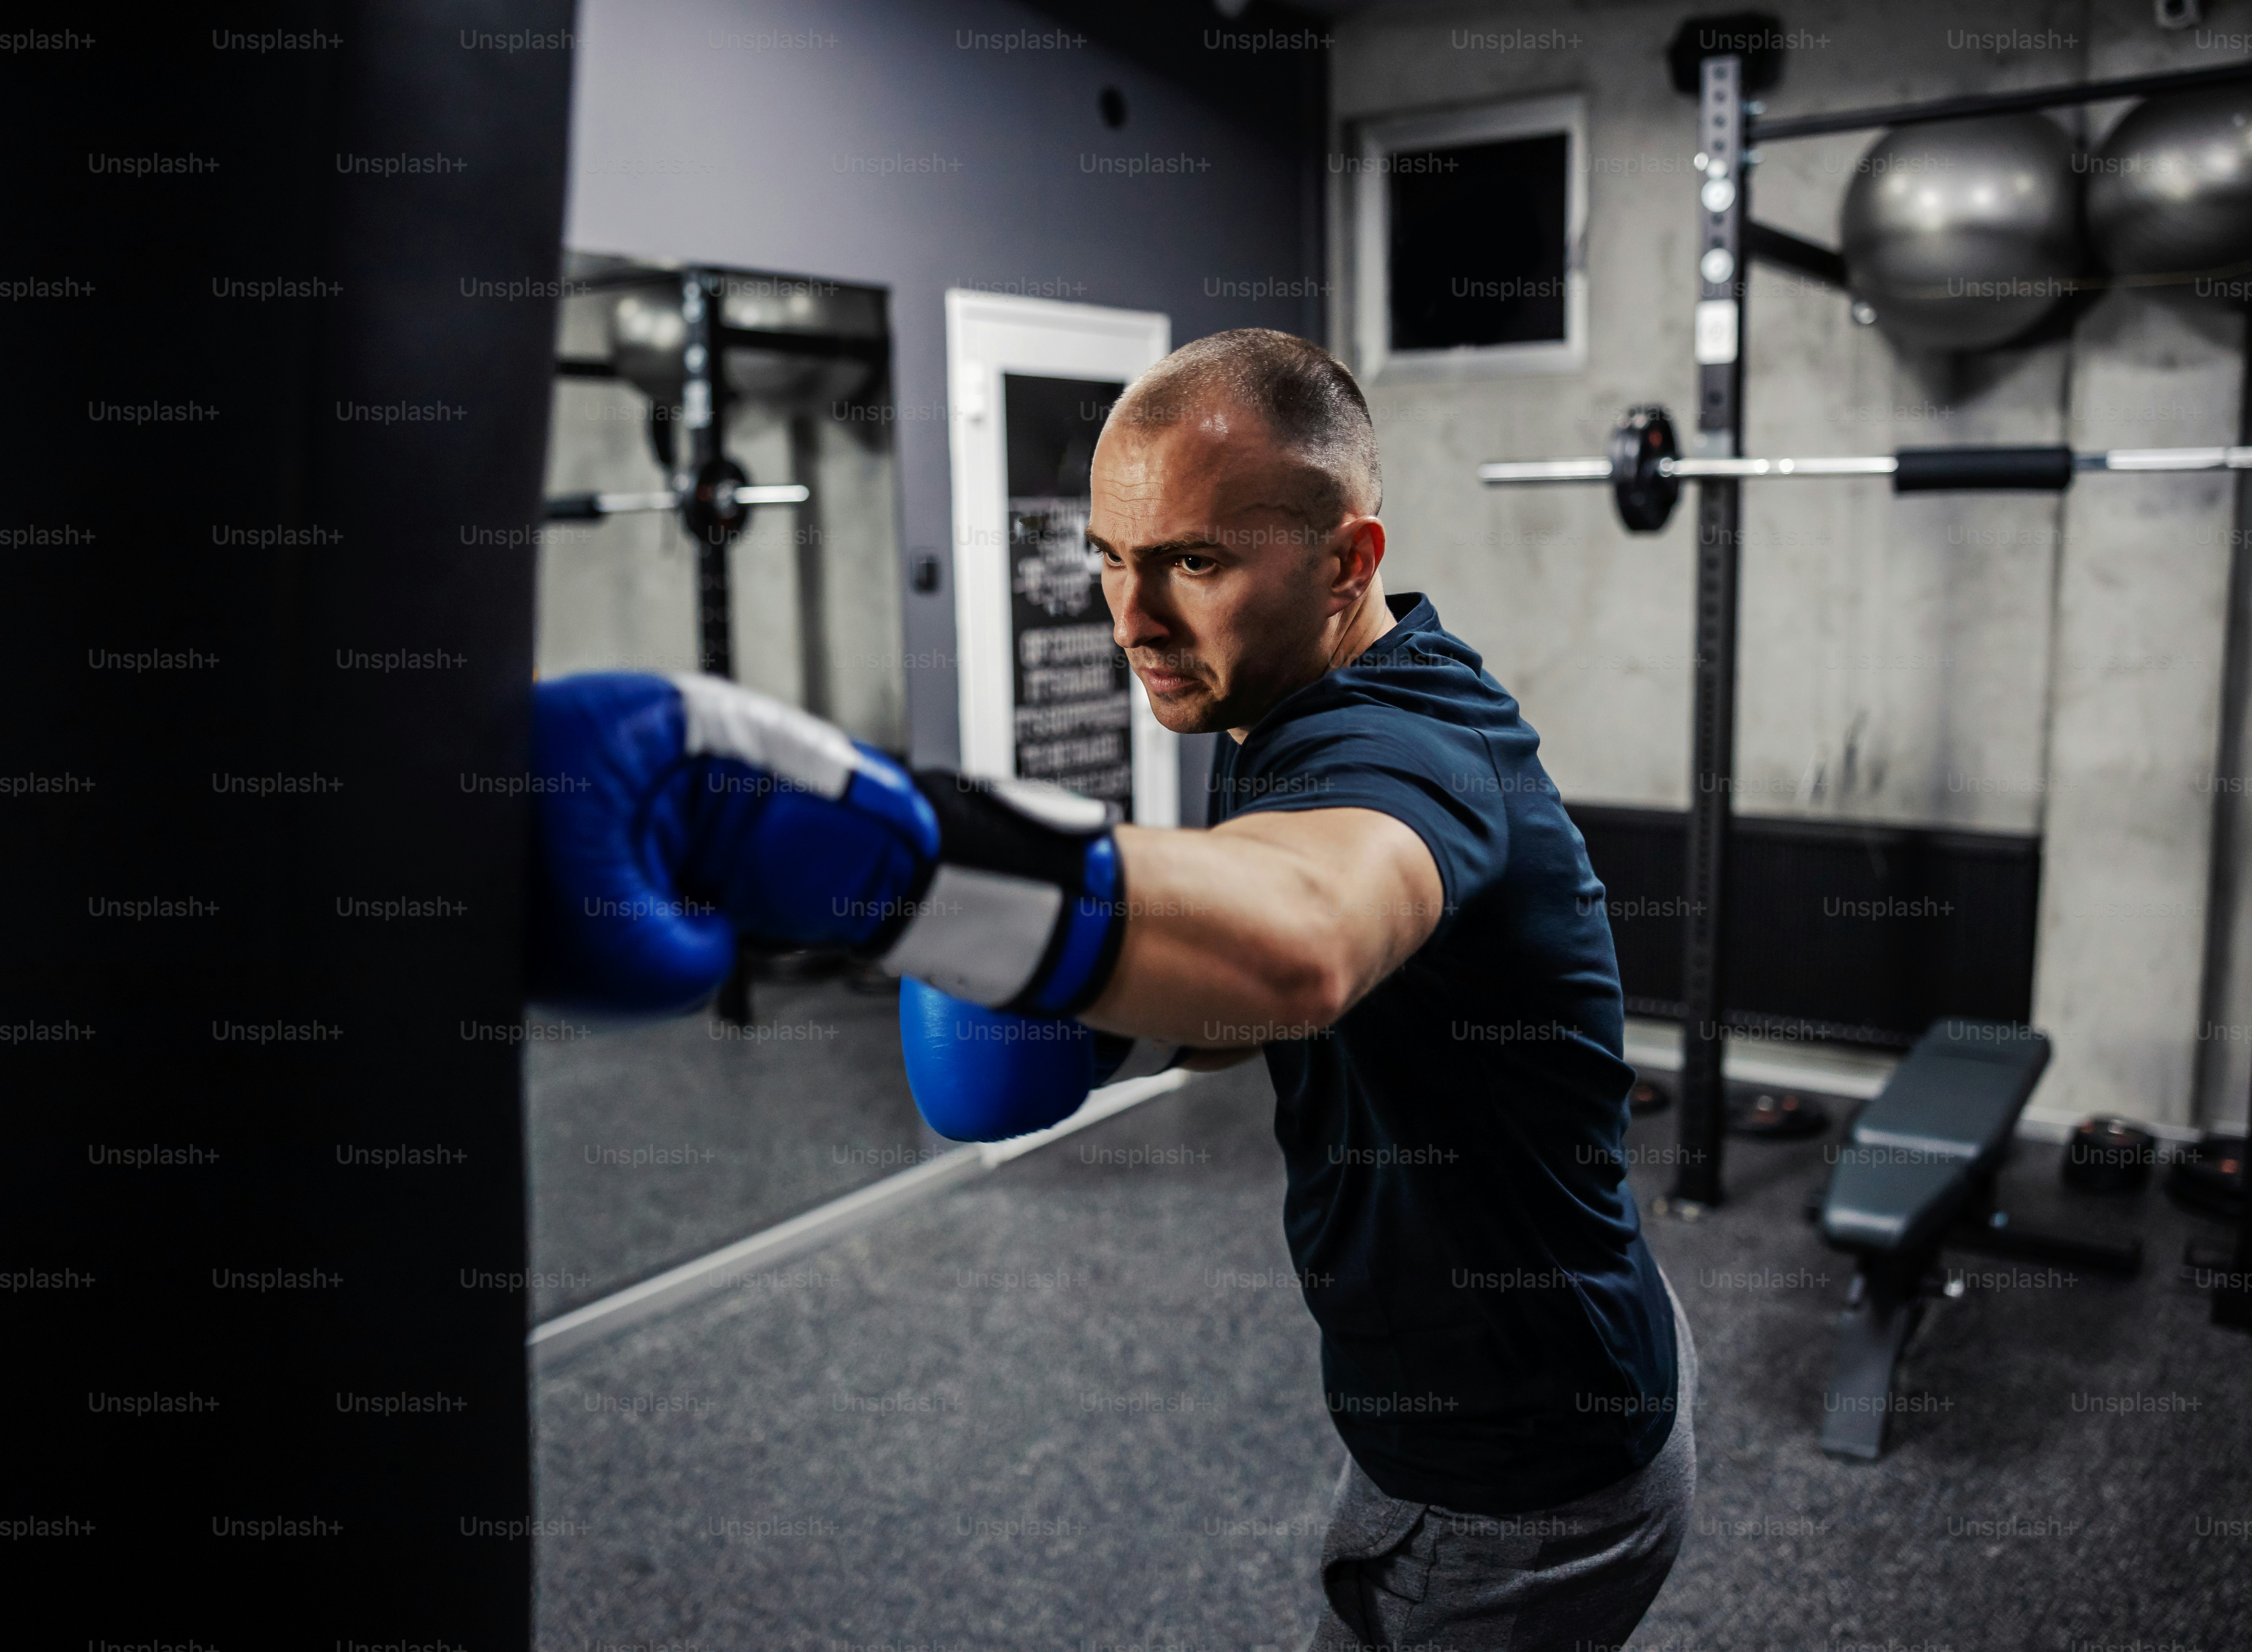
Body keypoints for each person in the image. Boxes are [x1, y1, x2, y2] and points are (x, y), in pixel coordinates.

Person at [528, 329, 1692, 1652]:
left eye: (1195, 562)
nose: (1133, 619)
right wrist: (1112, 1030)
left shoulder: (1405, 746)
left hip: (1521, 1478)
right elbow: (1284, 988)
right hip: (1554, 1358)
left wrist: (862, 855)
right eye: (1107, 557)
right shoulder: (1286, 705)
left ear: (1348, 561)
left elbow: (1306, 942)